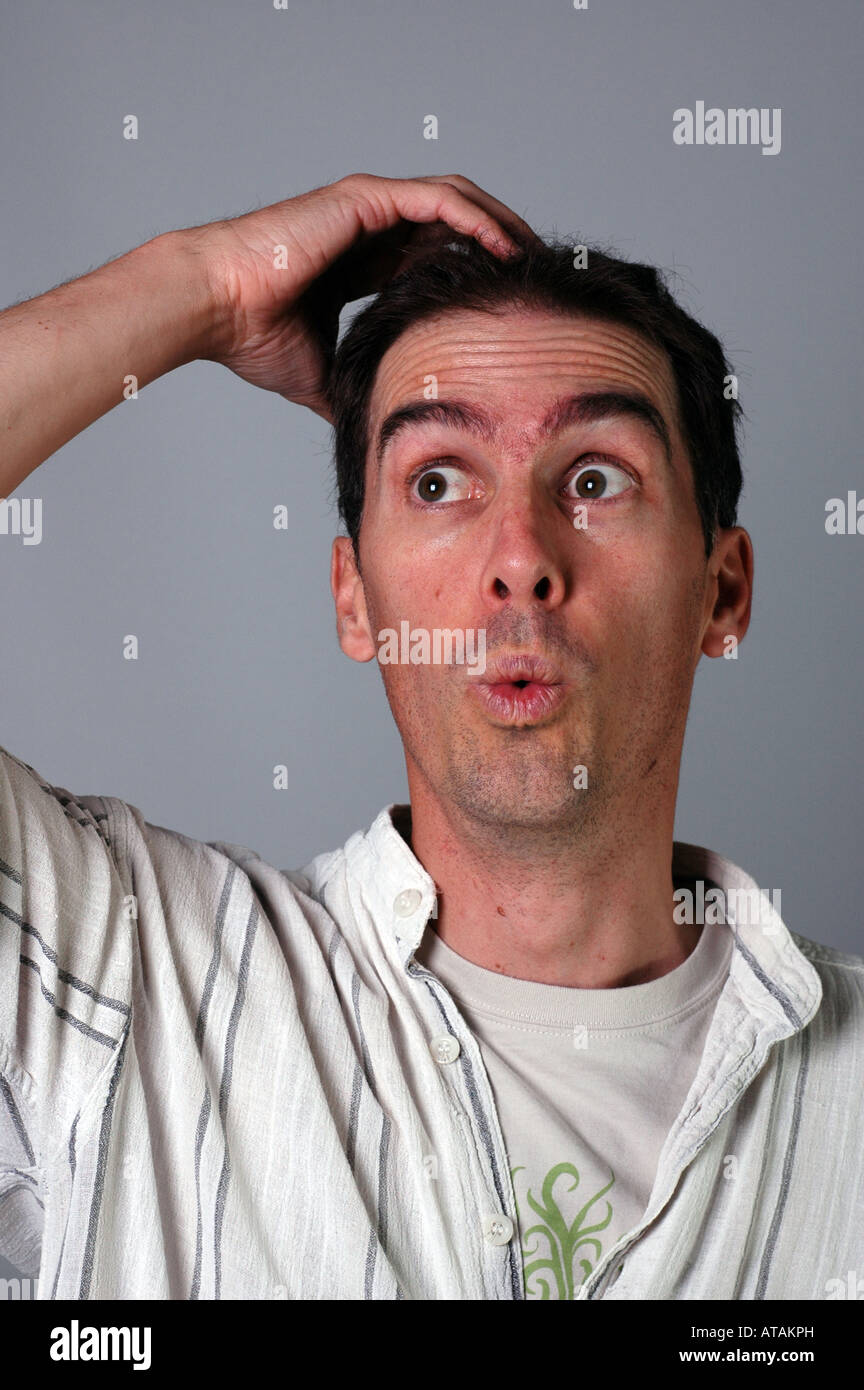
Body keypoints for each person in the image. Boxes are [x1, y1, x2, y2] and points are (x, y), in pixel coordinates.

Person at [0, 173, 860, 1301]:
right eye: (441, 479)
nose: (521, 556)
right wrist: (201, 287)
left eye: (595, 478)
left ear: (722, 591)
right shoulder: (127, 983)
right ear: (353, 597)